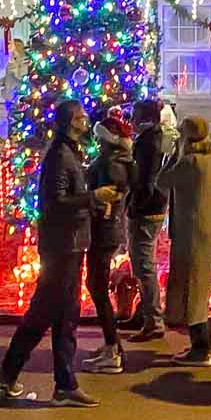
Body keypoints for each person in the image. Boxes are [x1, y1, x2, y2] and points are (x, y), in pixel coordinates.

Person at [0, 100, 121, 407]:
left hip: (71, 244)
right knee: (45, 312)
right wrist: (93, 197)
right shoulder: (60, 156)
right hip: (62, 246)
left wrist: (94, 203)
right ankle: (9, 371)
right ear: (68, 122)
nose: (86, 121)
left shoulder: (70, 152)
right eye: (80, 117)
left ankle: (65, 385)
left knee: (66, 316)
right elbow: (56, 202)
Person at [161, 114, 211, 367]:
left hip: (190, 232)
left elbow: (161, 181)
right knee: (199, 286)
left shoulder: (189, 162)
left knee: (191, 289)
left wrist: (172, 155)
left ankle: (201, 348)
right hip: (205, 229)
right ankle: (205, 342)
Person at [81, 109, 135, 376]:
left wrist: (91, 202)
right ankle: (112, 344)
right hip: (108, 230)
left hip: (103, 231)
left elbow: (106, 200)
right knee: (97, 285)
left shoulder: (110, 164)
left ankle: (113, 350)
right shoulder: (117, 160)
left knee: (97, 286)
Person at [124, 98, 169, 342]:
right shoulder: (156, 137)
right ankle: (144, 312)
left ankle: (153, 320)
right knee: (142, 263)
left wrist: (135, 205)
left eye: (134, 114)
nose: (131, 120)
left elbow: (144, 178)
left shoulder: (148, 143)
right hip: (153, 205)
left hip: (146, 209)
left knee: (144, 265)